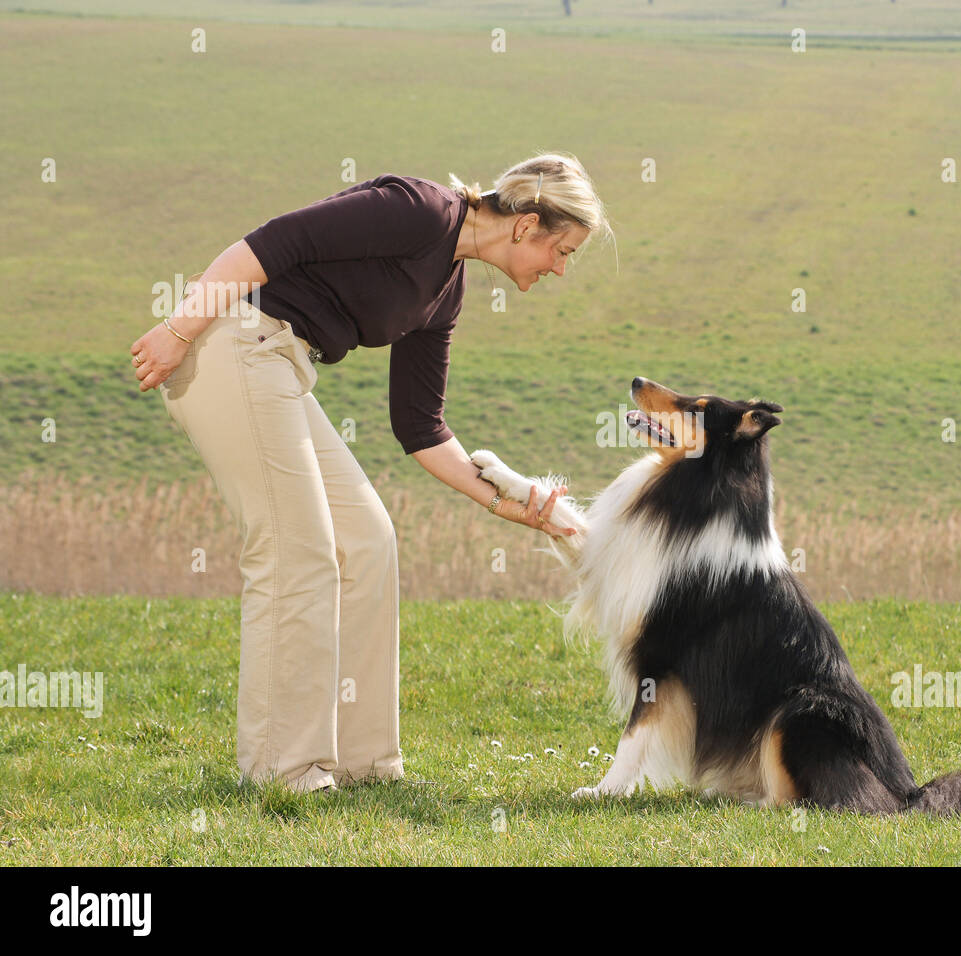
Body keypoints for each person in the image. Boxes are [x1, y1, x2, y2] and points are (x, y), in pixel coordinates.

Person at [128, 152, 611, 793]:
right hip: (229, 345)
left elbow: (421, 427)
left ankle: (365, 765)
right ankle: (282, 770)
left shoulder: (446, 290)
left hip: (278, 364)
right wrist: (178, 329)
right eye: (564, 250)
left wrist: (511, 503)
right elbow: (270, 244)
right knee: (297, 552)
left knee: (367, 542)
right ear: (526, 226)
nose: (561, 268)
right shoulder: (420, 211)